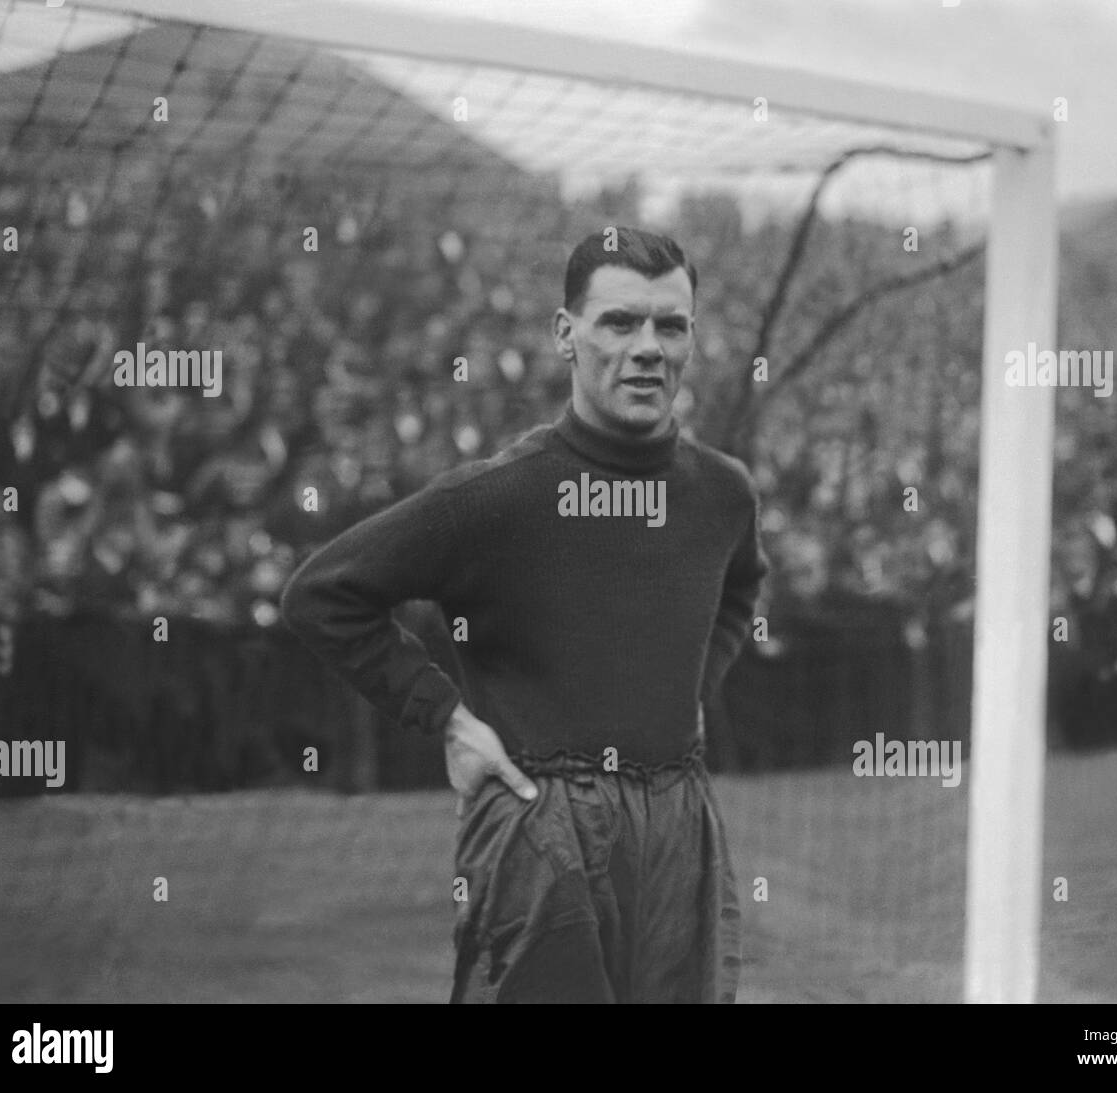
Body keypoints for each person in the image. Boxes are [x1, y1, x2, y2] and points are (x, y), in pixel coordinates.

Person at [280, 226, 767, 1003]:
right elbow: (322, 593)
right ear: (564, 334)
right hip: (544, 824)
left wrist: (694, 687)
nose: (648, 346)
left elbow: (741, 587)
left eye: (670, 325)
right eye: (619, 321)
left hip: (680, 820)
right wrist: (444, 715)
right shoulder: (501, 495)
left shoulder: (722, 492)